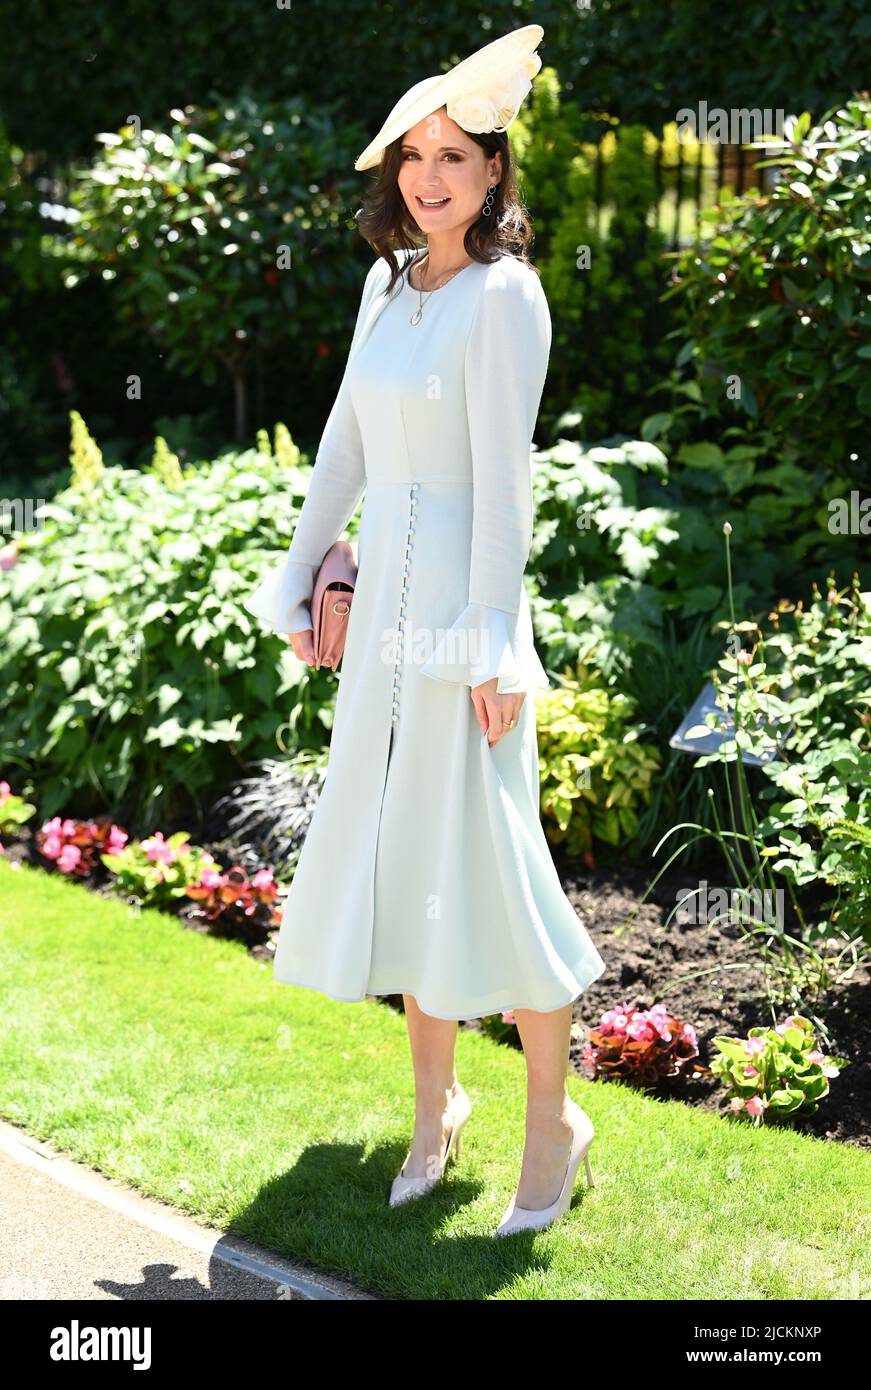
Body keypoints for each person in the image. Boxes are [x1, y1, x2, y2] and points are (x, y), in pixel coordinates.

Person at [244, 24, 607, 1237]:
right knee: (407, 864)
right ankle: (434, 1107)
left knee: (494, 868)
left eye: (456, 155)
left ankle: (553, 1124)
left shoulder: (506, 298)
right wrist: (303, 576)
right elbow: (346, 445)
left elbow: (506, 488)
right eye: (414, 155)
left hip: (463, 617)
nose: (431, 177)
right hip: (385, 605)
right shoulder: (386, 286)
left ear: (495, 172)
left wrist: (496, 640)